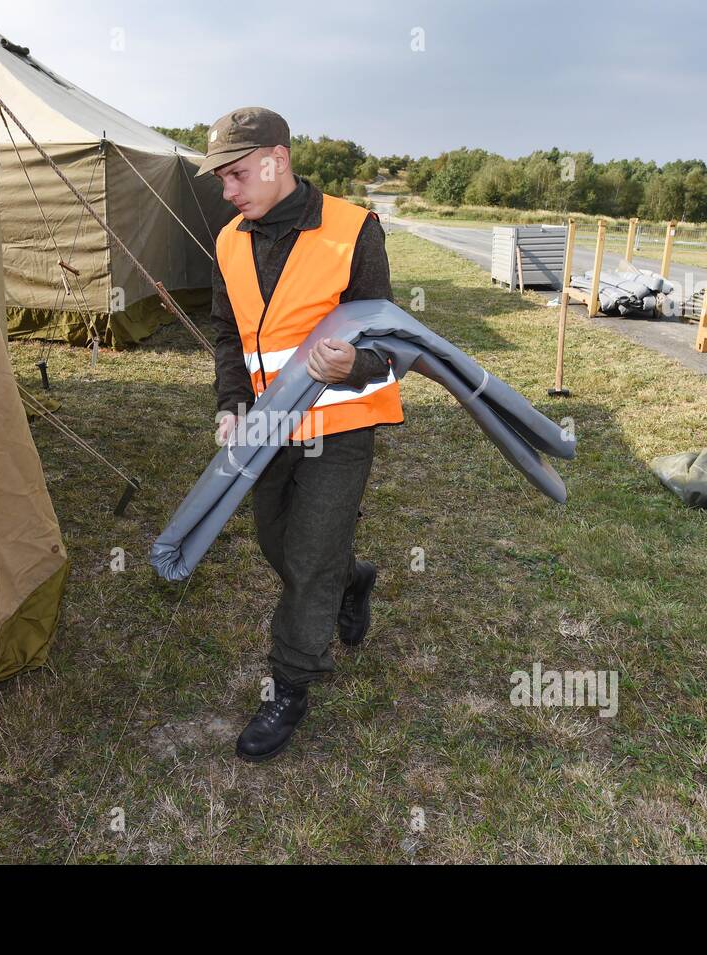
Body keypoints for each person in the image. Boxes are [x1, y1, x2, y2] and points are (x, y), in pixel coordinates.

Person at [197, 106, 403, 762]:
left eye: (234, 176)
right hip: (267, 427)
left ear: (276, 160)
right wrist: (231, 402)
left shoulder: (353, 229)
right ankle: (352, 577)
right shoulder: (230, 240)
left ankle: (290, 683)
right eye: (222, 180)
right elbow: (230, 334)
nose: (227, 192)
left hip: (340, 424)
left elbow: (393, 345)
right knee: (277, 540)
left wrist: (356, 362)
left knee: (309, 556)